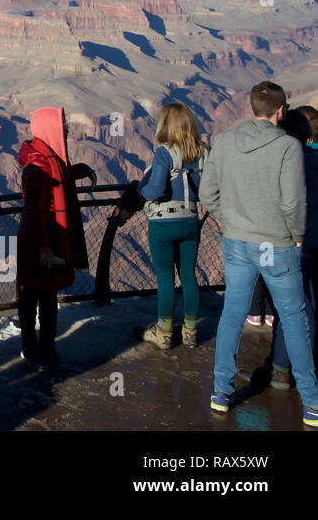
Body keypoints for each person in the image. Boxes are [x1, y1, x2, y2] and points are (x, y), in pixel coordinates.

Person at [201, 81, 318, 426]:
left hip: (237, 243)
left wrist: (230, 220)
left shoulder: (225, 141)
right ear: (281, 110)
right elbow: (294, 201)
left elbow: (208, 193)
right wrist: (296, 238)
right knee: (294, 321)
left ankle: (221, 393)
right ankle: (312, 403)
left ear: (252, 107)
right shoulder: (287, 147)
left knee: (231, 316)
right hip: (277, 245)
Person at [16, 107, 93, 372]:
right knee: (32, 295)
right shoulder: (37, 168)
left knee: (48, 295)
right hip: (39, 241)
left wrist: (77, 171)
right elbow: (35, 211)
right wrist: (45, 249)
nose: (67, 132)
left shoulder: (50, 162)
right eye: (63, 128)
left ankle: (48, 346)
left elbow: (58, 179)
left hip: (50, 237)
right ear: (50, 129)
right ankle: (30, 347)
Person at [135, 103, 205, 349]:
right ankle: (191, 331)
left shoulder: (164, 153)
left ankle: (164, 333)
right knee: (188, 276)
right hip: (190, 221)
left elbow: (155, 189)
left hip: (163, 224)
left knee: (165, 279)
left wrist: (140, 190)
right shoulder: (201, 151)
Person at [264, 108, 316, 389]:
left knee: (293, 309)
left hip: (296, 242)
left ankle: (284, 369)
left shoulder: (289, 163)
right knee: (310, 305)